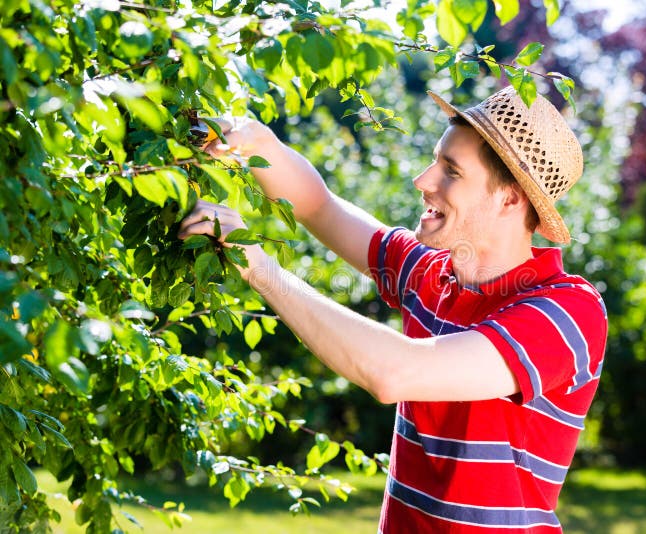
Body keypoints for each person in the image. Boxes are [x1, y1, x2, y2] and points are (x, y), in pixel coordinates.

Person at [179, 85, 607, 533]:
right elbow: (318, 206)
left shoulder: (566, 312)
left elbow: (394, 373)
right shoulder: (429, 273)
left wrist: (260, 268)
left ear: (510, 200)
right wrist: (256, 142)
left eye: (451, 171)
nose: (423, 180)